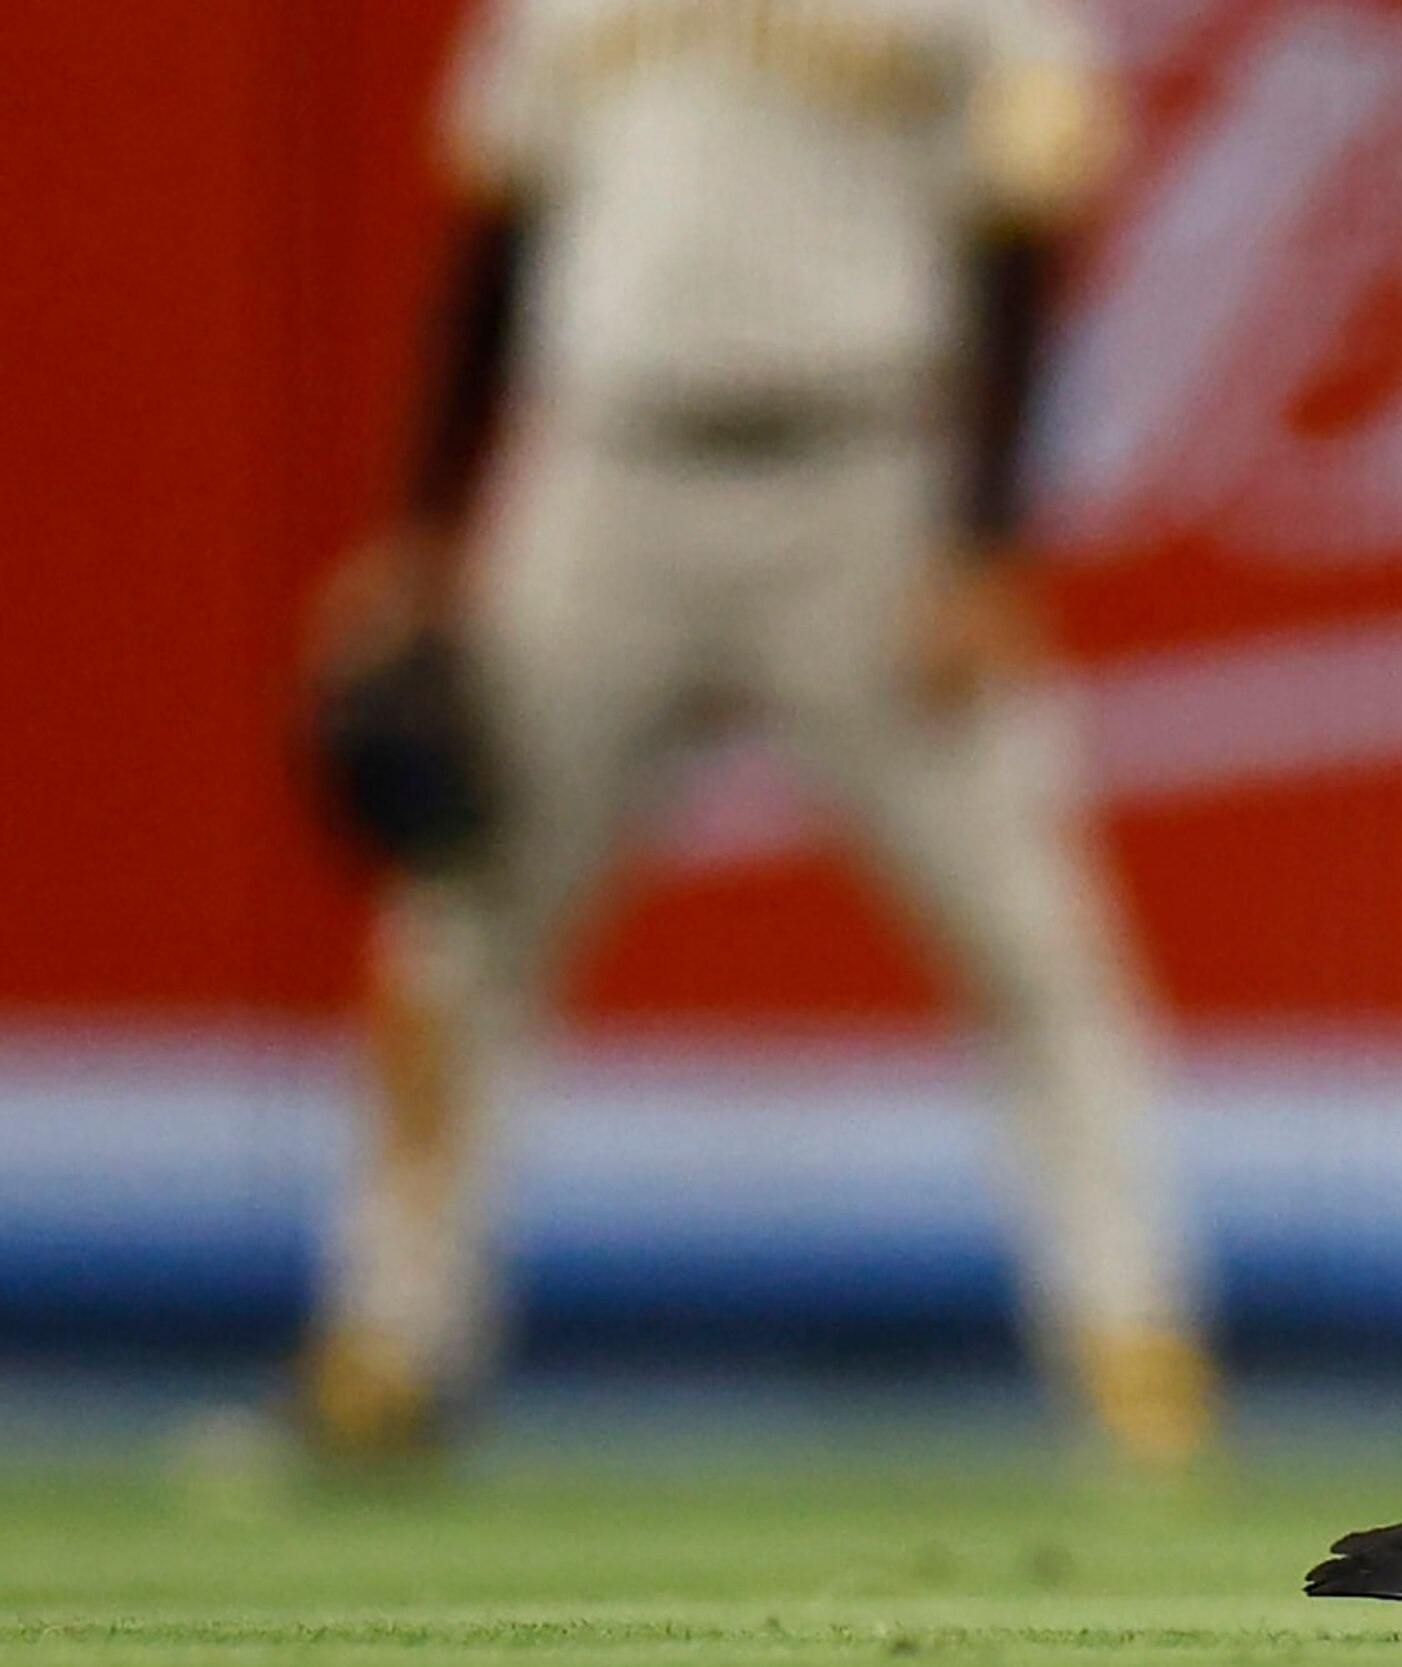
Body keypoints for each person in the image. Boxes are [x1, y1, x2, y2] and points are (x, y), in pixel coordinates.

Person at [299, 0, 1215, 1468]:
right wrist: (422, 534)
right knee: (462, 927)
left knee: (1032, 940)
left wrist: (983, 545)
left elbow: (1024, 239)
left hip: (869, 478)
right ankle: (388, 1341)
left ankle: (1135, 1346)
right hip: (602, 472)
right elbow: (498, 235)